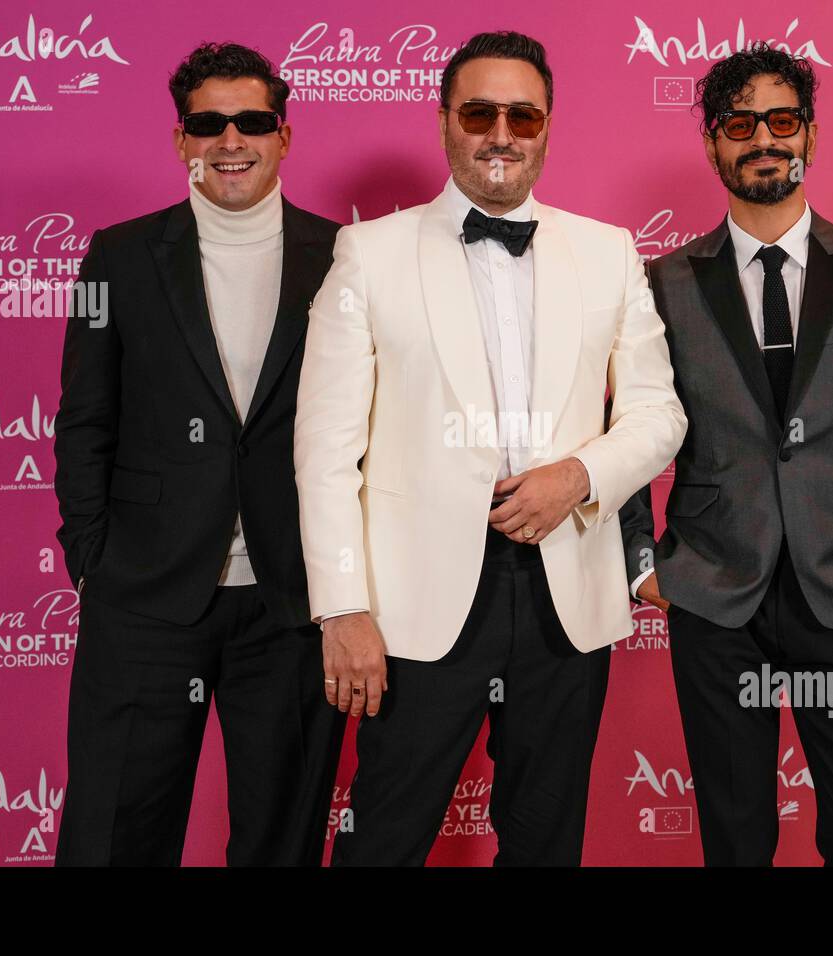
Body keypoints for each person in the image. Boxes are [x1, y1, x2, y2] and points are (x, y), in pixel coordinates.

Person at [295, 31, 686, 865]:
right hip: (414, 606)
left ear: (547, 126)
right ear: (444, 123)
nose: (500, 132)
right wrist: (342, 605)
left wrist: (579, 476)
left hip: (564, 593)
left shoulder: (610, 252)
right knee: (383, 839)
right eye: (479, 112)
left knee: (546, 842)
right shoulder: (369, 253)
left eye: (522, 114)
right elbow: (324, 447)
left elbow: (658, 413)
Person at [621, 41, 833, 866]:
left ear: (809, 134)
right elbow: (625, 432)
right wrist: (639, 564)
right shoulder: (660, 282)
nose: (763, 139)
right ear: (711, 142)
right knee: (735, 840)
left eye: (782, 120)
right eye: (741, 123)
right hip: (713, 592)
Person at [53, 42, 345, 866]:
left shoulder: (344, 256)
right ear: (181, 138)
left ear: (284, 135)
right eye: (207, 123)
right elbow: (84, 422)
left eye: (252, 121)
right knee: (113, 835)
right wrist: (93, 559)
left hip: (292, 601)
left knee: (280, 841)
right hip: (145, 596)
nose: (230, 140)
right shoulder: (120, 255)